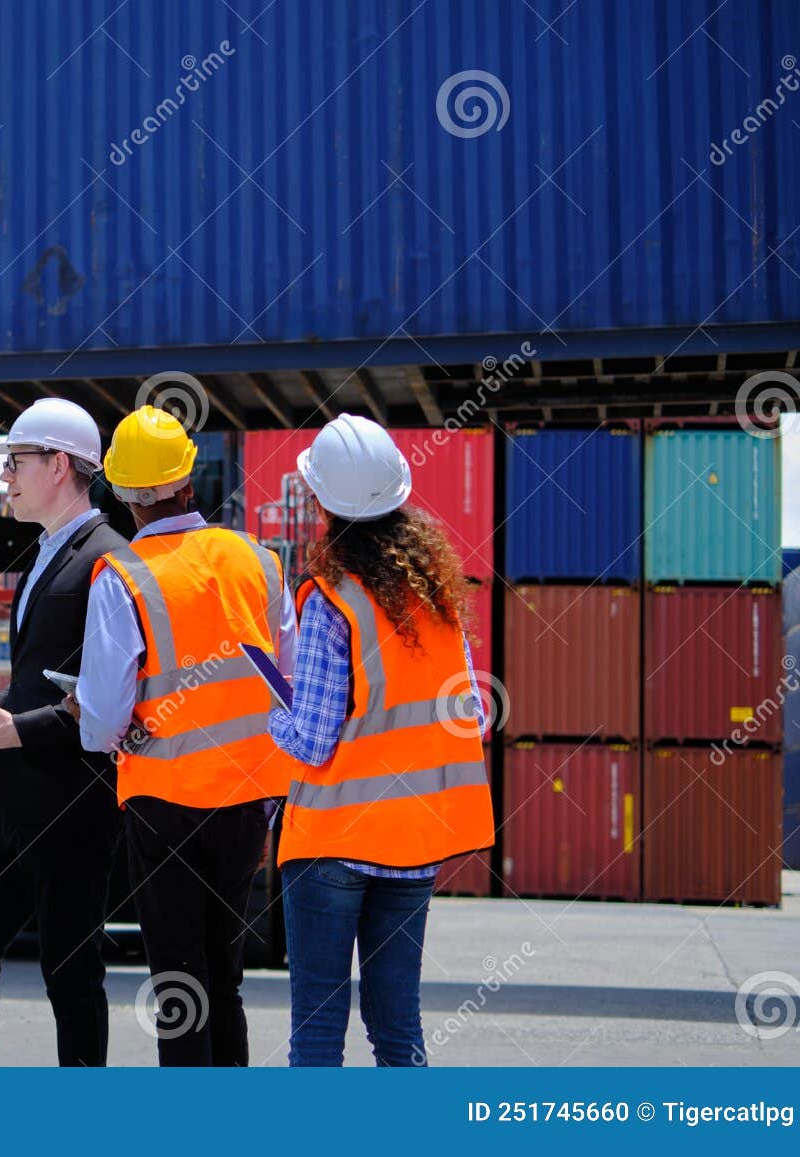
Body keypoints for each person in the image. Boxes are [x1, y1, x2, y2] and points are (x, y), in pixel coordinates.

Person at [71, 404, 295, 1066]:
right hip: (248, 801)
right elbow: (286, 679)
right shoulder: (256, 558)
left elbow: (100, 724)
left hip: (163, 802)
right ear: (190, 477)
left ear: (119, 494)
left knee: (180, 978)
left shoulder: (123, 577)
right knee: (224, 974)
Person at [269, 414, 493, 1067]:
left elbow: (310, 740)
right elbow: (471, 714)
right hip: (414, 847)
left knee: (317, 1034)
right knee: (399, 1033)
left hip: (332, 843)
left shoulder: (331, 599)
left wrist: (270, 708)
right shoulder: (440, 603)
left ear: (323, 505)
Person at [0, 398, 128, 1066]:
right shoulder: (48, 554)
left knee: (71, 974)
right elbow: (39, 687)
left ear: (61, 465)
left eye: (16, 462)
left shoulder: (106, 561)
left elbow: (108, 706)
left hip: (74, 808)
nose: (5, 477)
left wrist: (13, 729)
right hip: (17, 804)